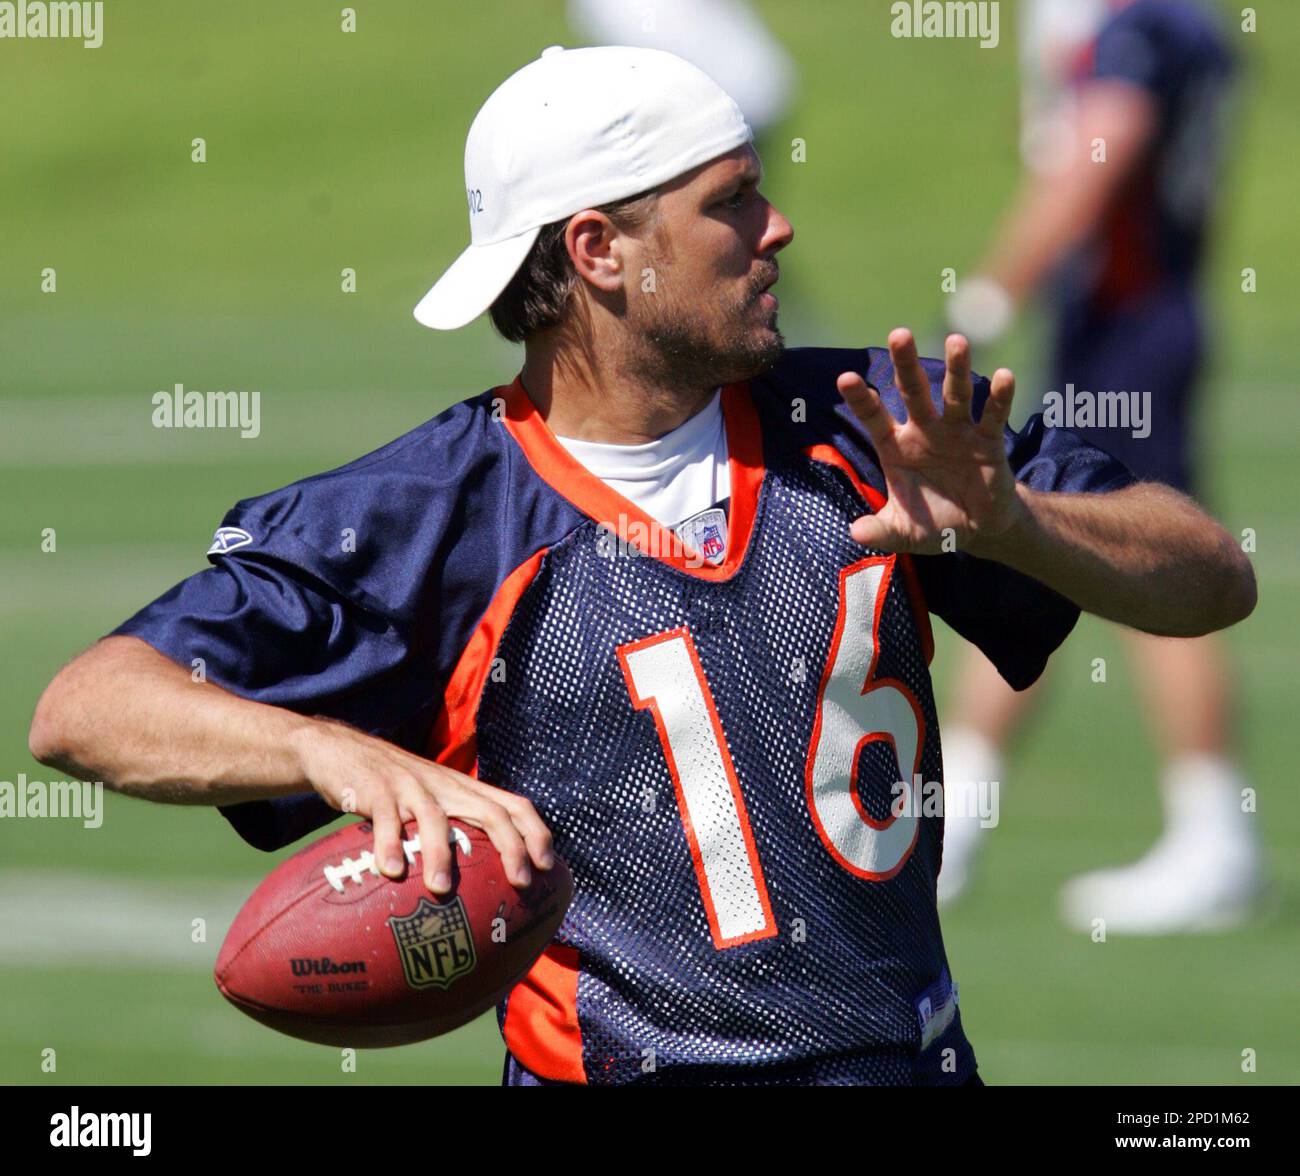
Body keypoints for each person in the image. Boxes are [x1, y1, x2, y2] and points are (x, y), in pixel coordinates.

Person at [29, 46, 1255, 1086]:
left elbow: (1210, 578)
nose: (776, 227)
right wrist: (327, 748)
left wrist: (1011, 525)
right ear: (601, 250)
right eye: (730, 202)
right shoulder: (430, 518)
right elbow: (84, 710)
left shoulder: (867, 427)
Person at [940, 0, 1258, 933]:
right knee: (1024, 534)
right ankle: (959, 808)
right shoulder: (1190, 27)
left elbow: (1101, 146)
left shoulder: (1140, 31)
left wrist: (999, 285)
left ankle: (1212, 833)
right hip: (1146, 314)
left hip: (1130, 323)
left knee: (1141, 554)